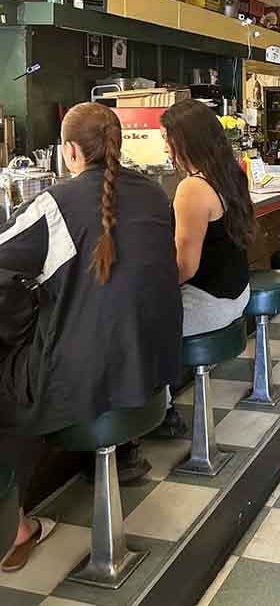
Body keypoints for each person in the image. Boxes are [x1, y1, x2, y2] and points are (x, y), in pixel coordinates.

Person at [0, 102, 182, 572]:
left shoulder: (55, 205)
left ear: (68, 151)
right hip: (149, 375)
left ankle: (15, 524)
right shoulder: (157, 193)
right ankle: (117, 456)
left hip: (85, 387)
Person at [160, 100, 255, 338]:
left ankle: (165, 377)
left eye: (165, 139)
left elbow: (185, 268)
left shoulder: (192, 188)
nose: (164, 149)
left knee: (125, 327)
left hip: (208, 304)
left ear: (185, 141)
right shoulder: (230, 174)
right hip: (238, 293)